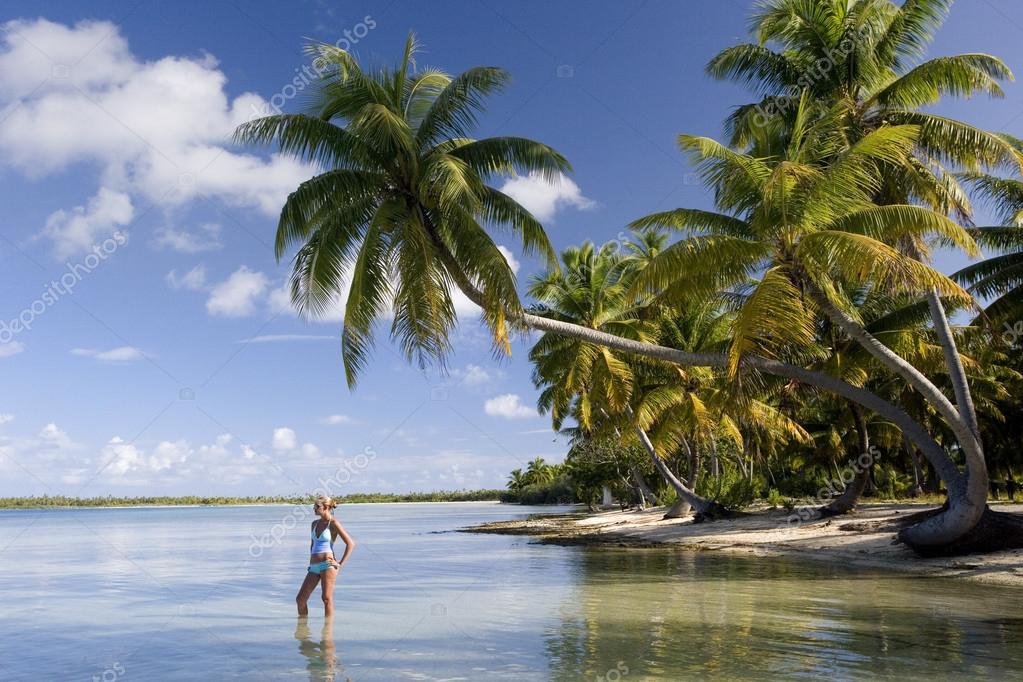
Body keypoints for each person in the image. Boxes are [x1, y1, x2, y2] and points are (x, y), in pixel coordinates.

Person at [296, 495, 355, 617]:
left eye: (317, 506)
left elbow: (350, 544)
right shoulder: (314, 524)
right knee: (300, 599)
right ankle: (303, 631)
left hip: (328, 565)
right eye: (314, 506)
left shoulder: (333, 523)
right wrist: (311, 563)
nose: (314, 509)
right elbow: (312, 546)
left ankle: (327, 633)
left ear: (326, 507)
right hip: (314, 567)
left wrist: (339, 564)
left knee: (326, 598)